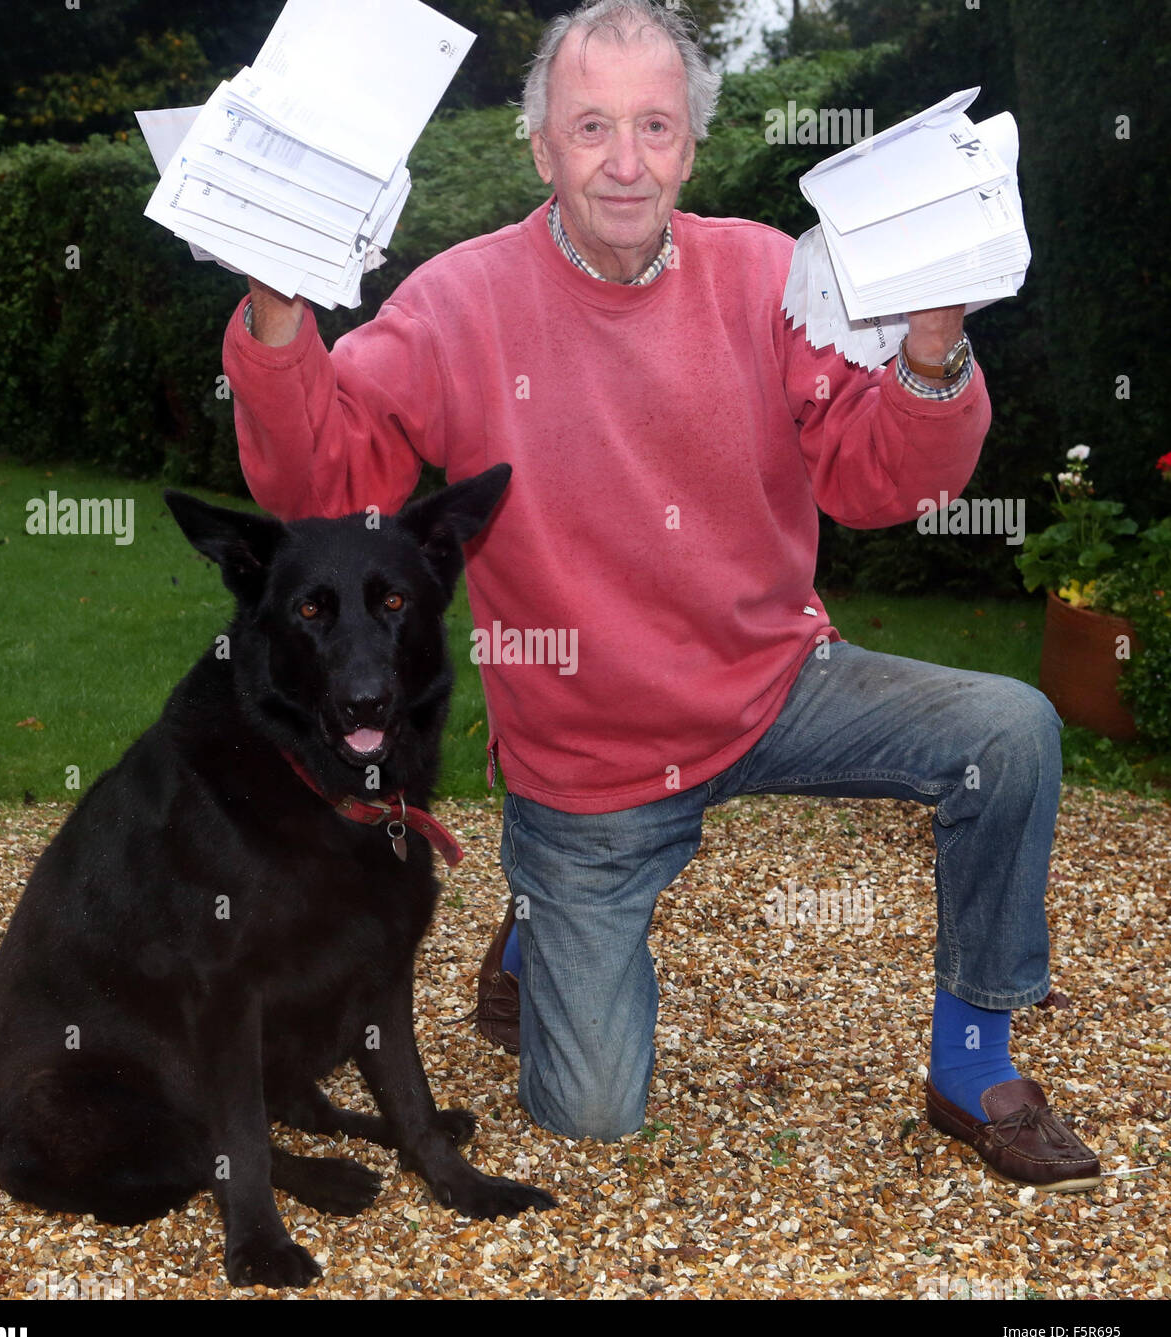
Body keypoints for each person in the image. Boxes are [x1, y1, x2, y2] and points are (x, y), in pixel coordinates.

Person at [222, 0, 1099, 1190]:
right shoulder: (457, 301)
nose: (623, 162)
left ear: (688, 145)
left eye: (651, 126)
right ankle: (536, 928)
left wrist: (931, 350)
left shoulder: (769, 276)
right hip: (590, 763)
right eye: (590, 127)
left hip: (774, 682)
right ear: (541, 148)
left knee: (1007, 728)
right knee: (589, 1113)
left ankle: (971, 1057)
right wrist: (279, 312)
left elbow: (874, 480)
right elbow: (325, 479)